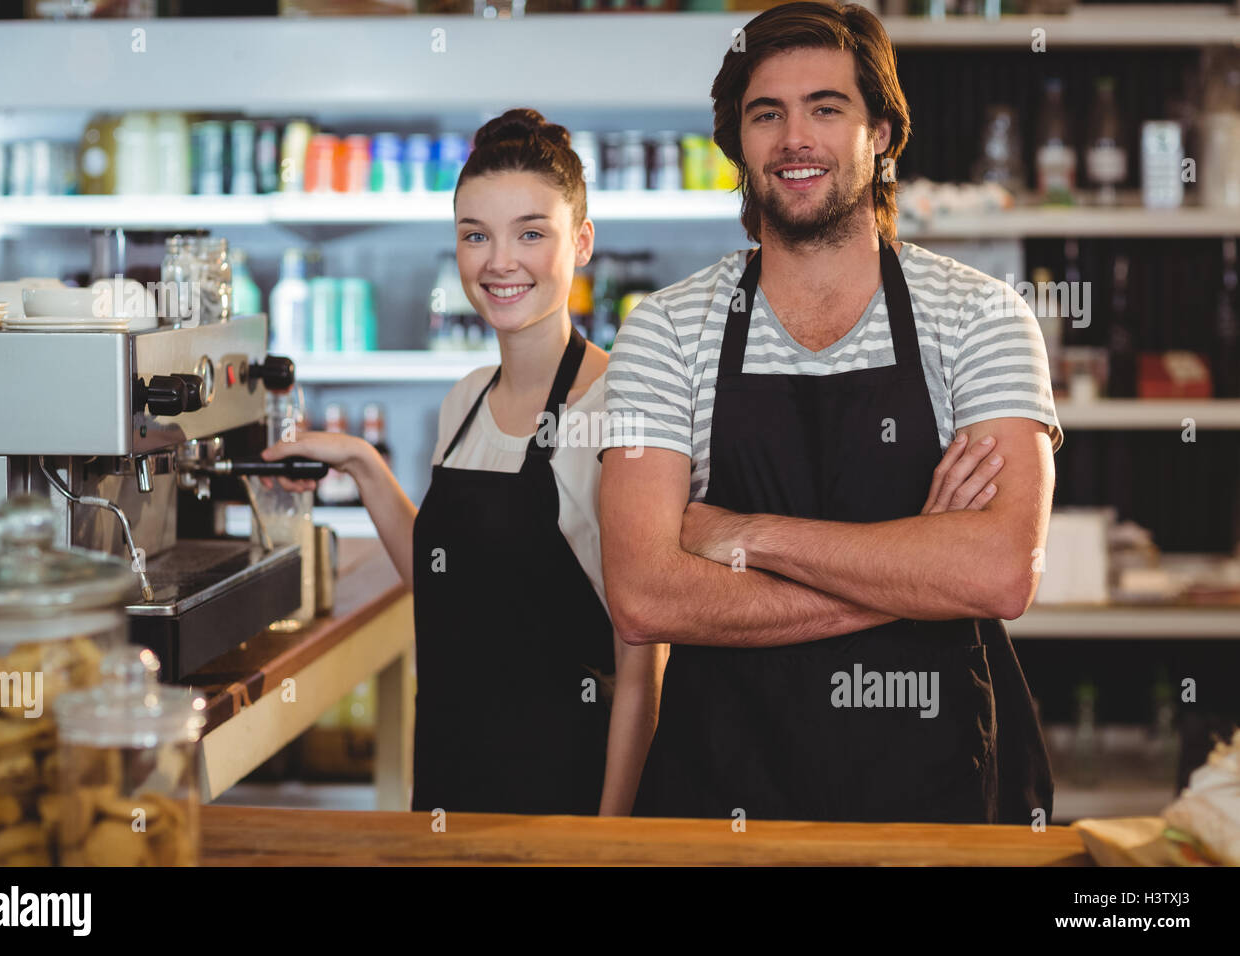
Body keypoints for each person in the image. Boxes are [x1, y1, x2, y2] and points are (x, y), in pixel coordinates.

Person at [599, 2, 1062, 824]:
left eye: (827, 107)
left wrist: (747, 535)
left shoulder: (981, 317)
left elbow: (997, 573)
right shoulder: (665, 330)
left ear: (881, 132)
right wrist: (918, 573)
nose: (794, 139)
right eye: (766, 113)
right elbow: (643, 595)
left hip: (941, 802)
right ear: (738, 144)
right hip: (724, 803)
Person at [261, 108, 665, 816]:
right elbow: (450, 587)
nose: (499, 261)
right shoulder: (465, 399)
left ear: (583, 243)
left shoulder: (616, 408)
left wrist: (609, 843)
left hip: (562, 789)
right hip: (450, 776)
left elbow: (644, 665)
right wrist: (361, 465)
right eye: (475, 235)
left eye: (531, 234)